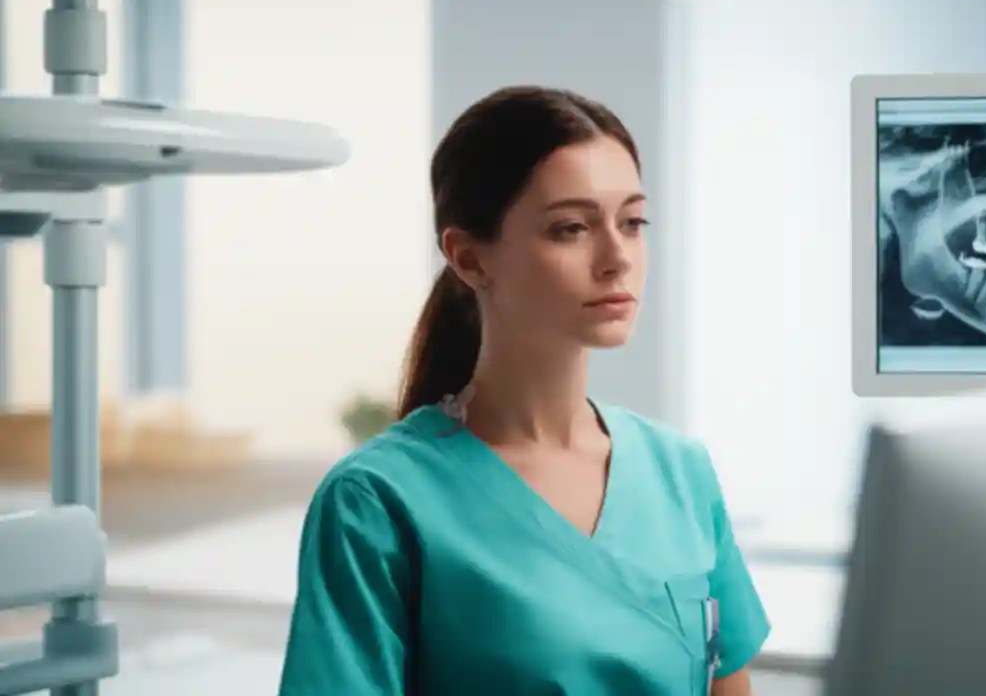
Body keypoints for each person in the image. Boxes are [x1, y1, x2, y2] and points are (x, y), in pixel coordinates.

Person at [277, 85, 770, 695]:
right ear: (470, 258)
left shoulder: (681, 473)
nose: (618, 257)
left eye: (633, 222)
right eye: (571, 228)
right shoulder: (377, 501)